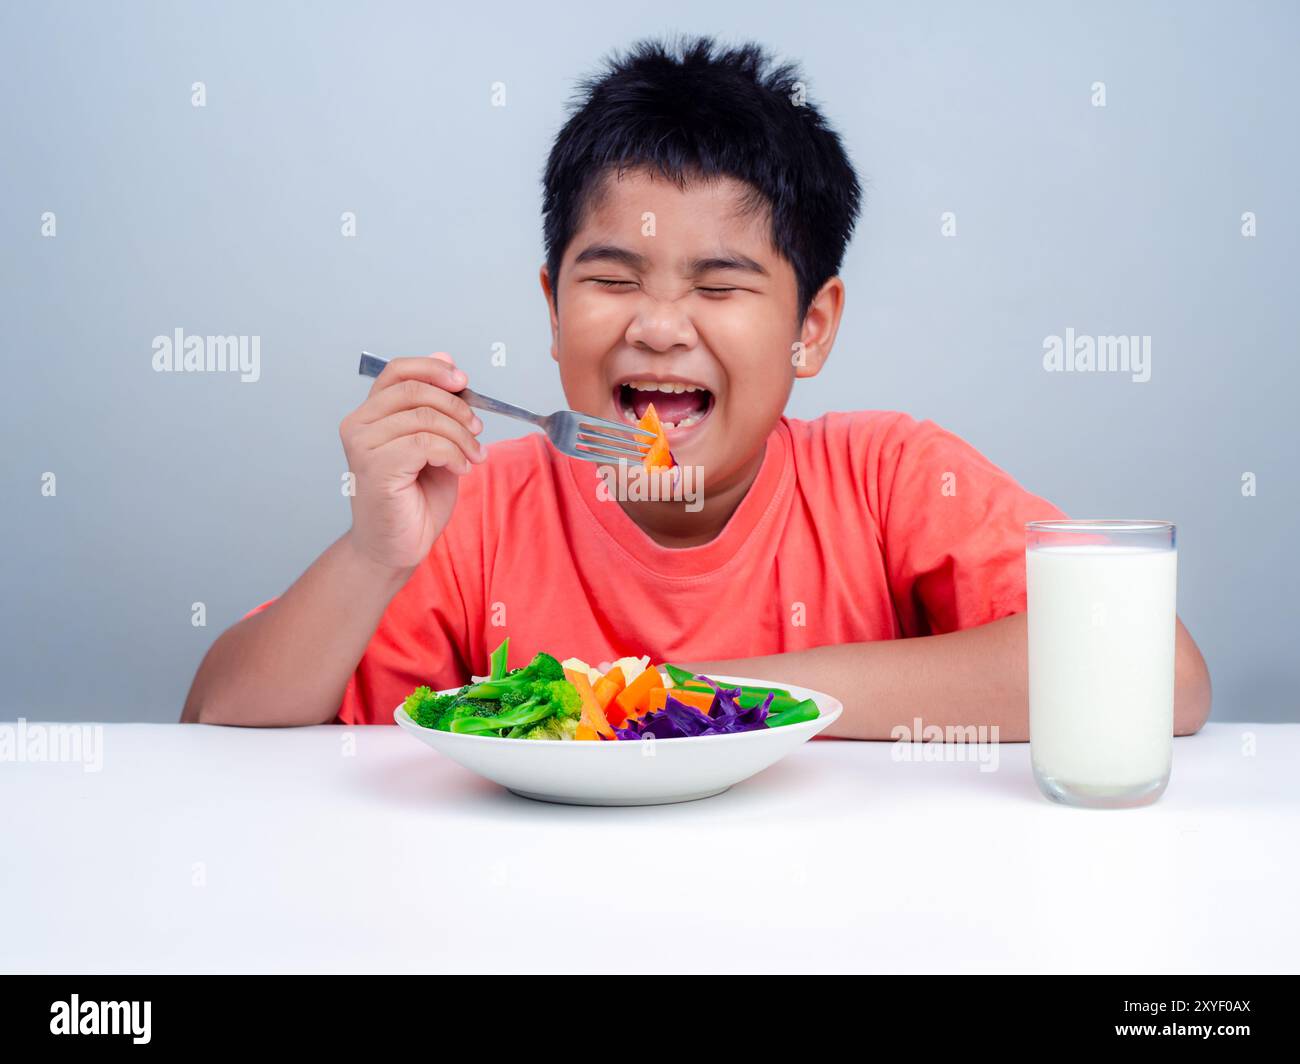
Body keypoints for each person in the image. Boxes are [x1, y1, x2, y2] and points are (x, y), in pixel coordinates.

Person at [183, 37, 1210, 738]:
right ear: (551, 310)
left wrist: (707, 699)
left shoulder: (888, 476)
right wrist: (374, 554)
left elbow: (1155, 668)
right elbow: (214, 730)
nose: (659, 324)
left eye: (719, 284)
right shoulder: (477, 508)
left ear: (811, 328)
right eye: (612, 278)